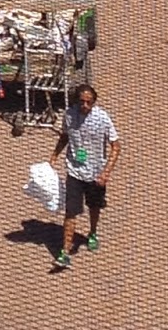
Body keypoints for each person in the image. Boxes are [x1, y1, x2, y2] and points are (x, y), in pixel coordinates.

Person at [52, 84, 121, 267]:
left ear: (94, 102)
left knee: (94, 206)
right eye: (81, 101)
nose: (84, 105)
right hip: (74, 171)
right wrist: (54, 156)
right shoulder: (69, 115)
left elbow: (116, 146)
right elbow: (65, 137)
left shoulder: (102, 118)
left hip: (96, 173)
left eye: (88, 102)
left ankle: (92, 232)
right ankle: (65, 251)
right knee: (70, 211)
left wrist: (106, 173)